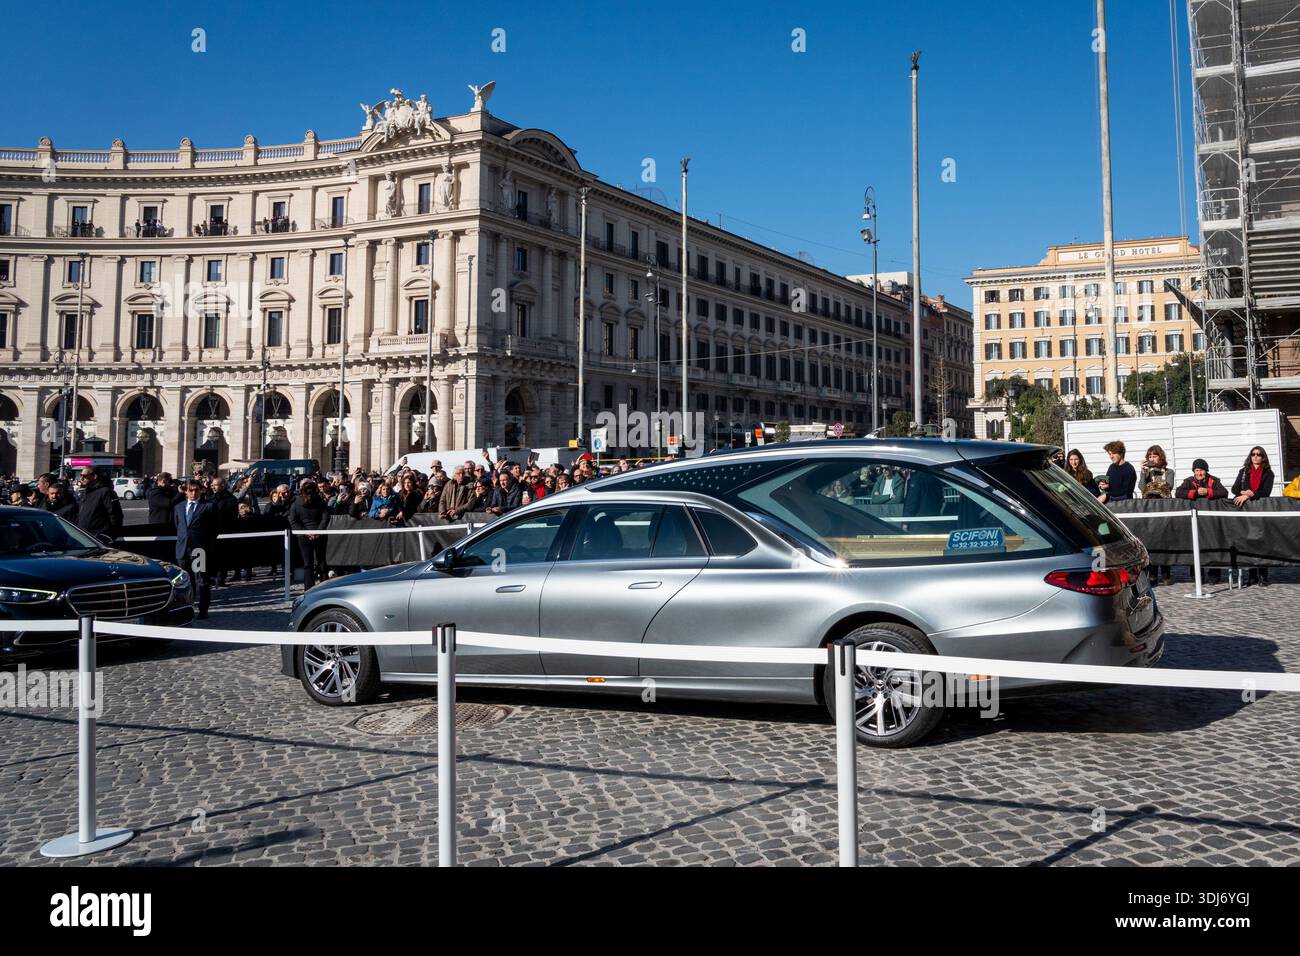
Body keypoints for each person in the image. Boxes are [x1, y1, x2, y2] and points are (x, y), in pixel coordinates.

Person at [1231, 446, 1275, 587]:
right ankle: (1251, 575)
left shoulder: (1269, 473)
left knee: (1262, 541)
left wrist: (1251, 494)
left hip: (1261, 510)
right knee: (1248, 541)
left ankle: (1263, 575)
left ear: (1263, 457)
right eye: (1253, 454)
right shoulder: (1243, 471)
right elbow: (1234, 489)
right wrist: (1243, 494)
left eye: (1259, 454)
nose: (1255, 457)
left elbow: (1266, 492)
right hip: (1246, 511)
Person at [174, 480, 217, 618]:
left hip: (199, 549)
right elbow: (178, 525)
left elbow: (215, 528)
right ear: (185, 491)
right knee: (186, 580)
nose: (193, 493)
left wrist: (205, 543)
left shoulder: (208, 506)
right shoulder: (179, 507)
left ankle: (203, 609)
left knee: (202, 580)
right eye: (190, 490)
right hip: (183, 548)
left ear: (200, 491)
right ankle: (188, 607)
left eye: (196, 490)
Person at [1138, 446, 1173, 586]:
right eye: (1150, 457)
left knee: (1165, 540)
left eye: (1155, 456)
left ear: (1161, 457)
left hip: (1164, 508)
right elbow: (1141, 487)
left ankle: (1166, 573)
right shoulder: (1147, 473)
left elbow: (1167, 487)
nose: (1152, 459)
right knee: (1151, 539)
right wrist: (1143, 473)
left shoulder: (1169, 472)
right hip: (1150, 509)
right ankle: (1152, 573)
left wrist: (1151, 486)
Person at [288, 479, 329, 590]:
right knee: (321, 561)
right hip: (320, 535)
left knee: (308, 564)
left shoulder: (296, 503)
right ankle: (326, 587)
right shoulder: (321, 501)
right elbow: (325, 518)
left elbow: (293, 520)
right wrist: (318, 531)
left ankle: (309, 588)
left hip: (304, 536)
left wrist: (305, 532)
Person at [74, 467, 123, 540]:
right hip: (84, 536)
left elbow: (116, 516)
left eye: (84, 476)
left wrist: (107, 535)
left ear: (94, 476)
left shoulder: (106, 492)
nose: (81, 479)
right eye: (81, 476)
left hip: (99, 538)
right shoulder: (85, 492)